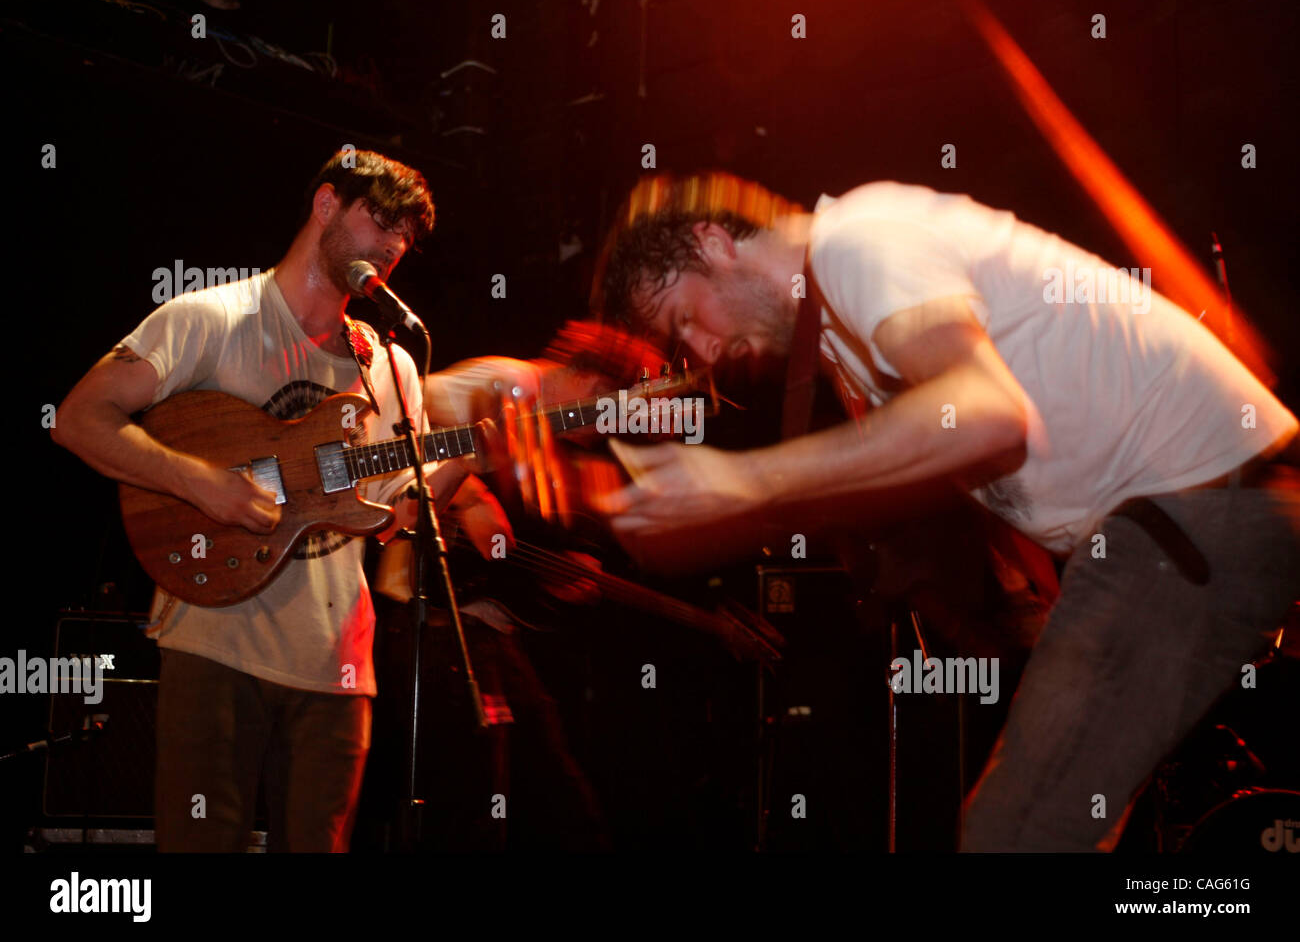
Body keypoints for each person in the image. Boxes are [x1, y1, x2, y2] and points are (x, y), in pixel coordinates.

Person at [588, 172, 1300, 851]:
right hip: (1188, 522)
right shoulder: (840, 331)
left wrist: (744, 483)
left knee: (1015, 837)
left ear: (716, 243)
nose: (706, 352)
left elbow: (988, 416)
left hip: (1193, 513)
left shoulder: (858, 242)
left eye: (688, 319)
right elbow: (1001, 465)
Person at [52, 148, 509, 852]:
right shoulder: (210, 318)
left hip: (337, 670)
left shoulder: (388, 364)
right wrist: (197, 480)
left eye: (405, 238)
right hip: (214, 646)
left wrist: (471, 456)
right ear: (326, 204)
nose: (391, 245)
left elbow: (400, 514)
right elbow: (79, 418)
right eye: (379, 219)